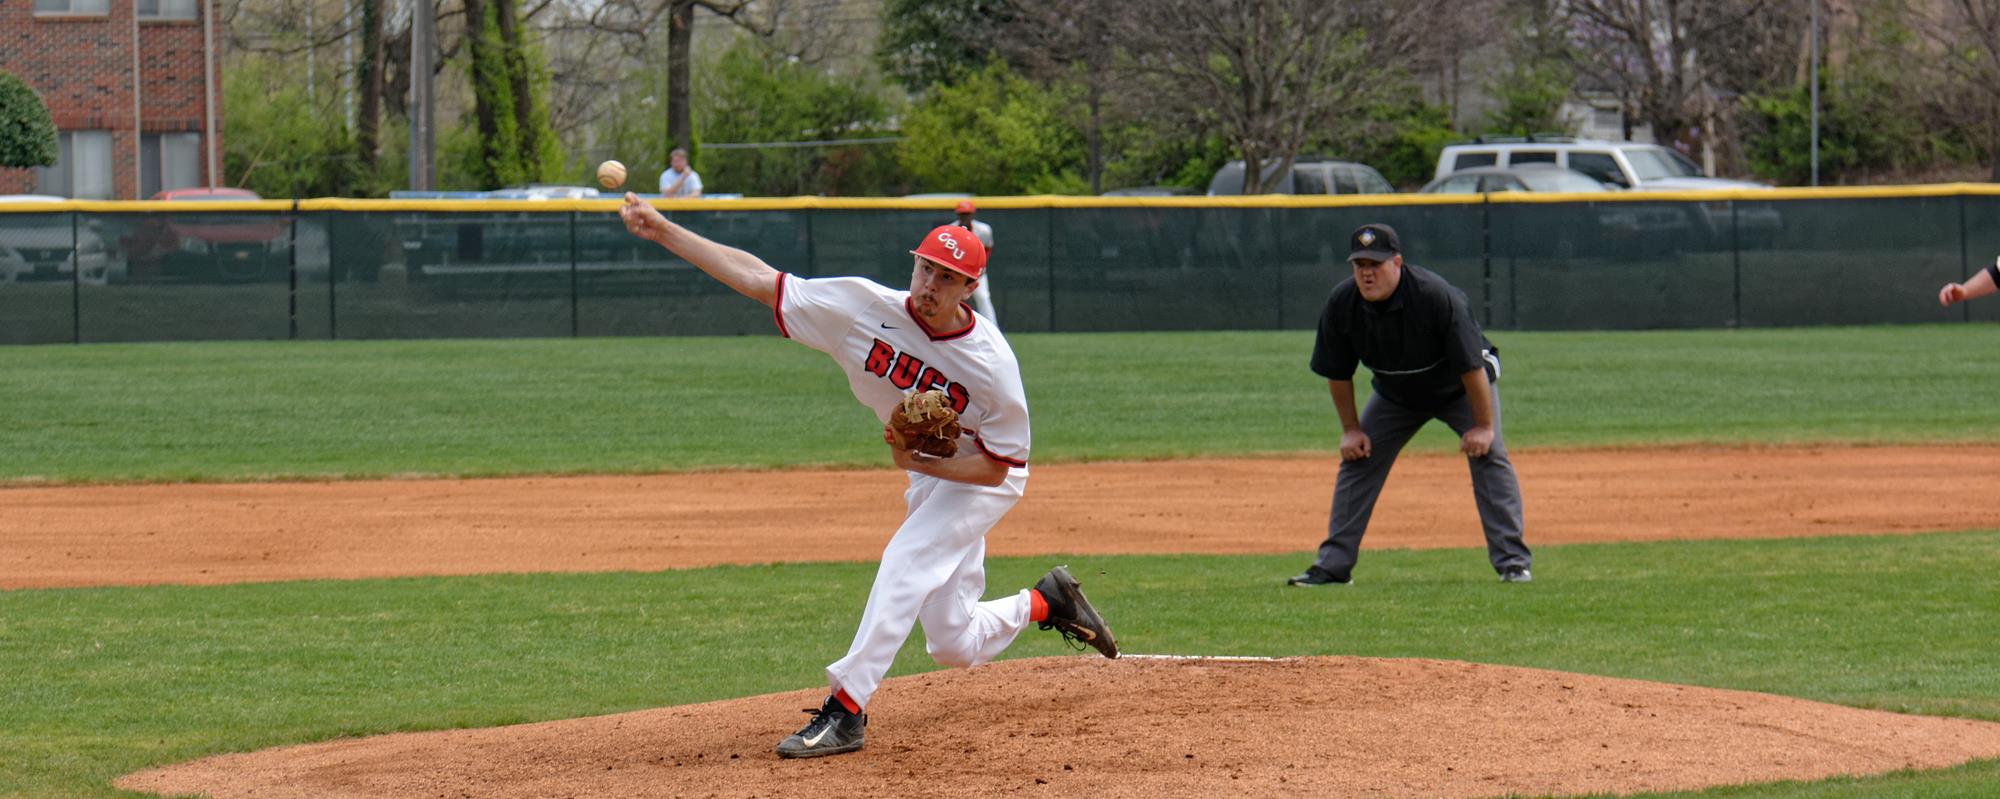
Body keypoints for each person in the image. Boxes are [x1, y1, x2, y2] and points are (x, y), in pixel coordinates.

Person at [615, 192, 1118, 760]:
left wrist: (922, 462)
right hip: (935, 475)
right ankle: (1047, 603)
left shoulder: (992, 365)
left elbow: (1003, 466)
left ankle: (846, 710)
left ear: (970, 288)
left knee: (906, 560)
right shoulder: (860, 307)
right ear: (914, 264)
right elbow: (761, 280)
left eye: (948, 278)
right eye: (926, 268)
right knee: (952, 643)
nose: (931, 285)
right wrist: (663, 231)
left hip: (984, 478)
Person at [1289, 223, 1532, 587]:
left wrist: (1482, 427)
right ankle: (1333, 567)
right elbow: (1336, 372)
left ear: (1397, 263)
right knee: (1358, 458)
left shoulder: (1435, 296)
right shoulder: (1343, 303)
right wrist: (1351, 430)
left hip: (1458, 387)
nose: (1367, 273)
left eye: (1376, 264)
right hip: (1396, 394)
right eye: (1360, 265)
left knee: (1489, 455)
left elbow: (1472, 368)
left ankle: (1513, 563)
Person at [954, 200, 999, 324]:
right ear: (958, 215)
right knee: (953, 297)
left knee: (983, 297)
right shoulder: (952, 229)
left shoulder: (983, 230)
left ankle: (993, 328)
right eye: (962, 214)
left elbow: (988, 248)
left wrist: (981, 266)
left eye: (967, 214)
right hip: (958, 271)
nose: (965, 217)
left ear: (972, 214)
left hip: (976, 271)